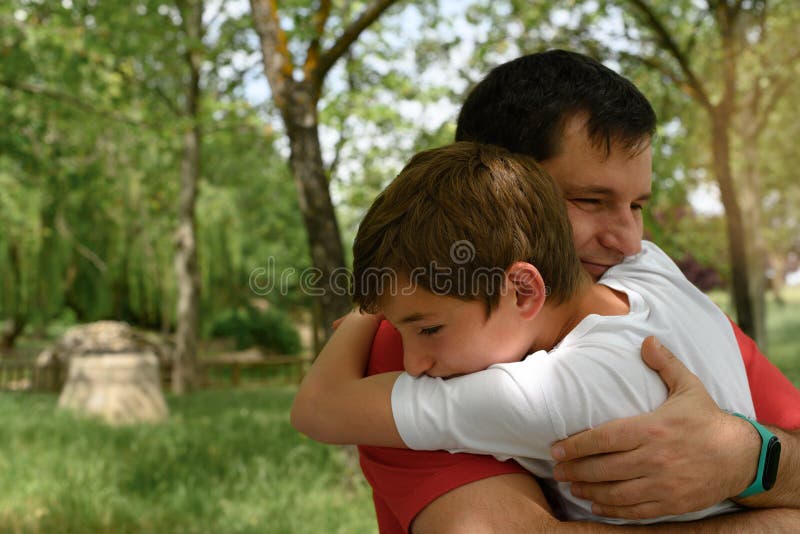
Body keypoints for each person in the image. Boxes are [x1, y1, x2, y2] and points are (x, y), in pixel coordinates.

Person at [352, 50, 800, 533]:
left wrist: (751, 457)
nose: (629, 242)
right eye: (590, 200)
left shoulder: (649, 305)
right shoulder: (423, 347)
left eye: (637, 205)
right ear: (496, 190)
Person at [291, 141, 778, 525]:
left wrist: (363, 315)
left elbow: (316, 410)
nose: (414, 360)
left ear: (525, 290)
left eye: (429, 328)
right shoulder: (652, 270)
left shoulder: (544, 395)